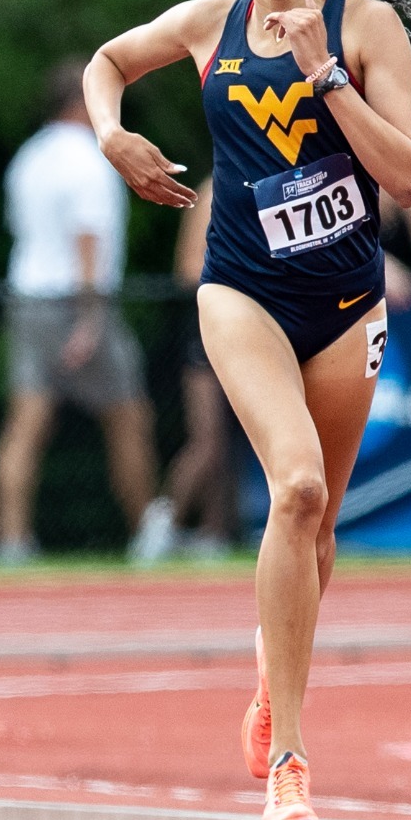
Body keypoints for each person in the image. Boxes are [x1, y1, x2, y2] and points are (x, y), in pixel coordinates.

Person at [83, 0, 411, 820]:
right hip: (242, 291)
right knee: (293, 486)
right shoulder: (206, 24)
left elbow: (408, 179)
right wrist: (111, 134)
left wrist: (326, 77)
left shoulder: (364, 27)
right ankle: (289, 764)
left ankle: (273, 675)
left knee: (320, 519)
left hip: (346, 301)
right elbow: (107, 63)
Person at [0, 59, 165, 568]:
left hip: (28, 297)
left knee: (26, 423)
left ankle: (11, 541)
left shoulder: (30, 157)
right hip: (78, 300)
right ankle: (147, 533)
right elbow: (88, 239)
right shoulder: (90, 159)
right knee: (129, 416)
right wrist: (91, 320)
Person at [149, 178, 239, 562]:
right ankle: (158, 529)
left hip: (247, 329)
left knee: (230, 442)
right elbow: (187, 269)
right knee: (207, 441)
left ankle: (214, 534)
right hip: (208, 329)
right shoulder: (214, 192)